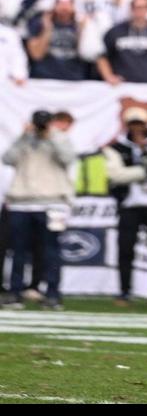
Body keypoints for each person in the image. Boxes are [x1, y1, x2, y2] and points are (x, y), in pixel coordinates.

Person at [0, 109, 76, 311]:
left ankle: (52, 294)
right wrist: (24, 136)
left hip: (54, 203)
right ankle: (15, 293)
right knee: (18, 251)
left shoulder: (59, 138)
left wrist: (50, 136)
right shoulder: (25, 139)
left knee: (52, 249)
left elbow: (67, 158)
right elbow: (7, 159)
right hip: (21, 203)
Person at [101, 106, 147, 306]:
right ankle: (124, 291)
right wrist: (146, 169)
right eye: (133, 124)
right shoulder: (116, 148)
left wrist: (145, 162)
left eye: (140, 124)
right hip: (129, 205)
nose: (137, 129)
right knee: (125, 250)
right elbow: (115, 176)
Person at [26, 0, 91, 79]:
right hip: (44, 77)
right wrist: (47, 30)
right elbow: (36, 55)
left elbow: (86, 54)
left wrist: (83, 31)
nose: (64, 7)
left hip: (73, 78)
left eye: (68, 3)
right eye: (60, 3)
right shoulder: (38, 24)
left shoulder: (80, 26)